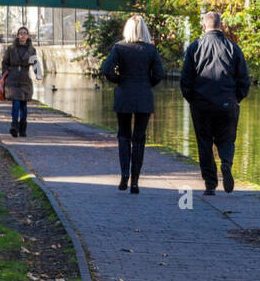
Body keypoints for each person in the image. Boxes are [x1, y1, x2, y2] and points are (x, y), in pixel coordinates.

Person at [180, 11, 250, 195]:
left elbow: (185, 79)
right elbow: (244, 78)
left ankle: (210, 184)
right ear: (221, 25)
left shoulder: (195, 47)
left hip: (201, 103)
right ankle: (226, 162)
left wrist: (192, 99)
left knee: (204, 142)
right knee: (226, 139)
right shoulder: (233, 48)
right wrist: (236, 99)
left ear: (204, 26)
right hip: (227, 102)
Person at [100, 15, 166, 193]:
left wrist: (119, 80)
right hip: (144, 95)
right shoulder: (151, 50)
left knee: (123, 135)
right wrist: (148, 83)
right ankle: (135, 181)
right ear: (144, 30)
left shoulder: (119, 48)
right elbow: (159, 73)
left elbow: (106, 69)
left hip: (124, 94)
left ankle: (124, 175)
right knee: (139, 138)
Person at [1, 26, 43, 137]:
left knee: (23, 106)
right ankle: (14, 126)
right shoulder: (11, 49)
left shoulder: (31, 50)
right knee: (15, 104)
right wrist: (5, 75)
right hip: (12, 79)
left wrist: (38, 74)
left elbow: (34, 63)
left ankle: (23, 128)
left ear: (28, 36)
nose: (23, 35)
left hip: (25, 79)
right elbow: (5, 62)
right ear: (17, 35)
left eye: (25, 33)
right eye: (21, 33)